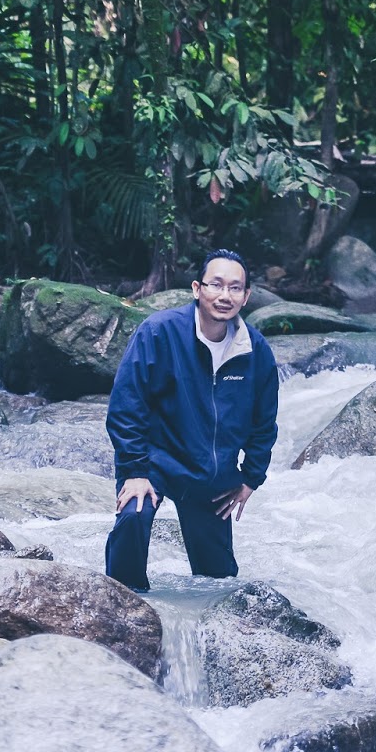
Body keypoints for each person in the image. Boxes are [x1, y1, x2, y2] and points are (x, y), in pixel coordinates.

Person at [104, 249, 279, 591]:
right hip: (156, 461)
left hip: (211, 477)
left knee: (219, 584)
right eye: (216, 285)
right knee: (134, 515)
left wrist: (251, 478)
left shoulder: (255, 351)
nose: (224, 295)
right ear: (197, 289)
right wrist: (135, 471)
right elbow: (127, 405)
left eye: (234, 288)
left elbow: (264, 422)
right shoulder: (159, 332)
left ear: (246, 296)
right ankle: (122, 601)